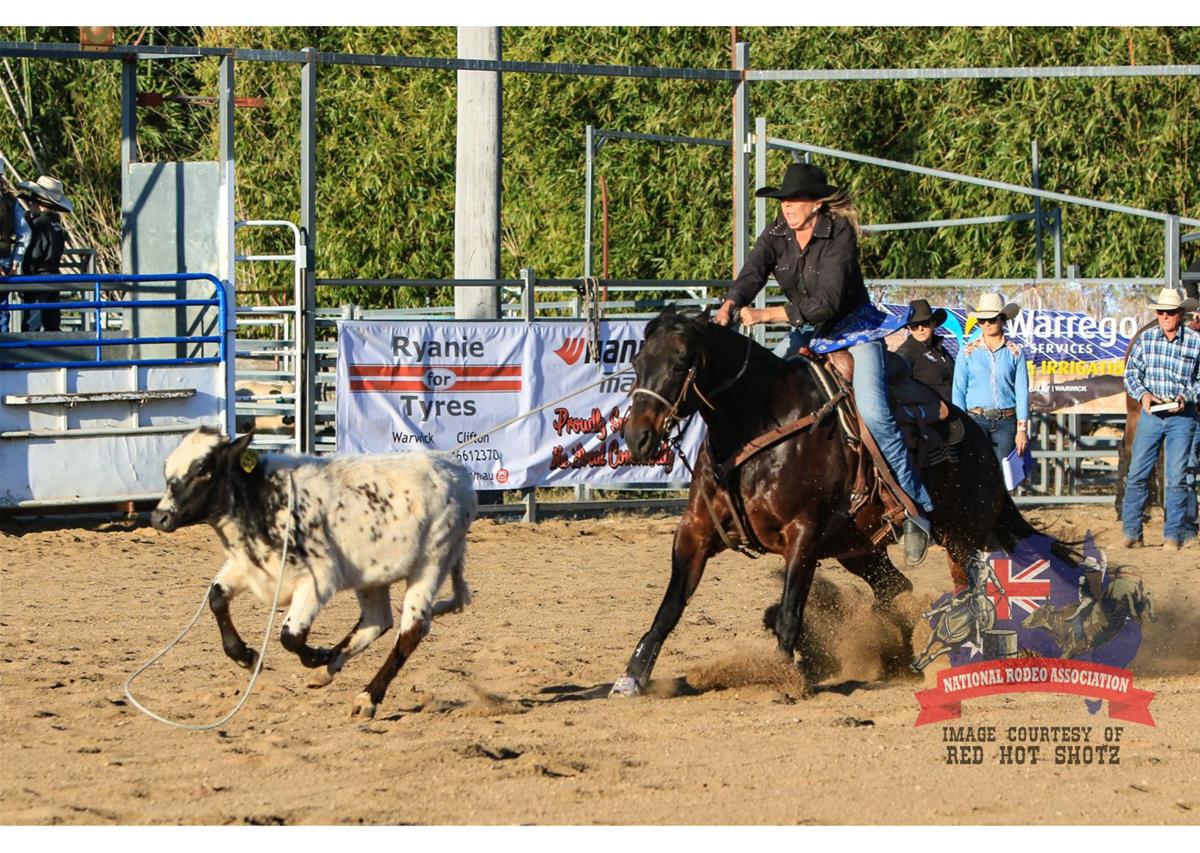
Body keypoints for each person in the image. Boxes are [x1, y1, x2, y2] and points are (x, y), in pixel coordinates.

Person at [713, 162, 933, 565]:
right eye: (784, 201)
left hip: (855, 331)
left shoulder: (840, 234)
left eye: (795, 201)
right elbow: (754, 270)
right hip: (811, 335)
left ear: (816, 205)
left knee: (874, 414)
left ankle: (915, 511)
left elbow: (827, 303)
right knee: (766, 398)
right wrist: (732, 302)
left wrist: (765, 317)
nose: (787, 207)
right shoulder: (778, 233)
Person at [1121, 287, 1200, 550]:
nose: (1165, 316)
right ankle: (1132, 531)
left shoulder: (1195, 341)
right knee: (1137, 473)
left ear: (1180, 314)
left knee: (1177, 476)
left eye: (1170, 312)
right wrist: (1143, 395)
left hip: (1182, 416)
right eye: (1161, 312)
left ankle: (1172, 535)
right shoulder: (1146, 340)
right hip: (1152, 414)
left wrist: (1186, 396)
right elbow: (1132, 373)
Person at [952, 293, 1030, 467]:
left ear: (1002, 320)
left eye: (992, 319)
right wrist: (962, 425)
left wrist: (1022, 429)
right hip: (975, 420)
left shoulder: (1015, 352)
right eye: (982, 319)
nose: (987, 323)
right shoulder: (967, 351)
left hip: (1007, 422)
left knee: (1004, 475)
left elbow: (1022, 391)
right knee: (976, 472)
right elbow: (958, 390)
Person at [17, 175, 71, 332]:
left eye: (32, 201)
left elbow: (33, 255)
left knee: (31, 328)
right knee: (52, 326)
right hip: (54, 278)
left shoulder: (39, 224)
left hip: (37, 281)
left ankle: (29, 357)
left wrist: (24, 282)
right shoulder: (57, 225)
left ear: (40, 204)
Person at [896, 298, 955, 403]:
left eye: (924, 323)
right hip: (933, 415)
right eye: (914, 325)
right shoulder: (905, 354)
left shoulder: (940, 348)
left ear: (933, 323)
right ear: (909, 328)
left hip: (956, 411)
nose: (920, 329)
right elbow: (898, 389)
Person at [0, 160, 33, 334]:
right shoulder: (11, 202)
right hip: (5, 260)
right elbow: (25, 234)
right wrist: (15, 262)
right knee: (2, 314)